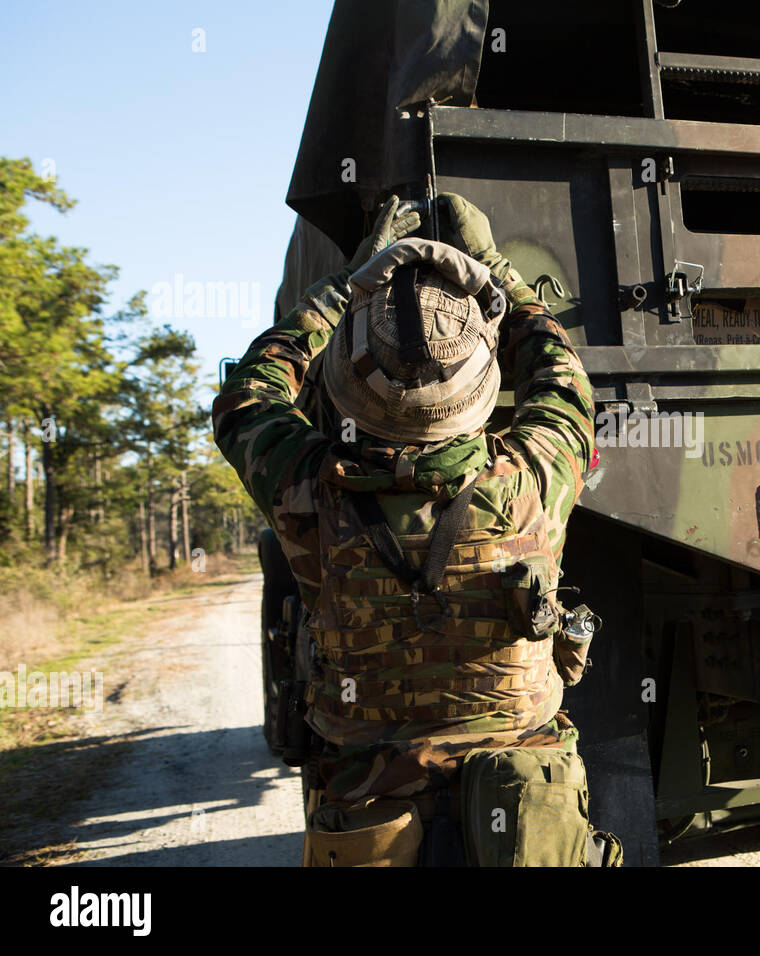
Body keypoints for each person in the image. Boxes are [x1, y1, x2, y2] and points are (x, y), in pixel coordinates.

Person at [213, 194, 610, 865]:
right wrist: (492, 269)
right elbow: (560, 372)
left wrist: (352, 283)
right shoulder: (534, 477)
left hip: (373, 819)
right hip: (526, 820)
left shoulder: (306, 493)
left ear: (345, 381)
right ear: (478, 387)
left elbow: (248, 394)